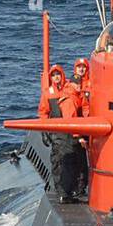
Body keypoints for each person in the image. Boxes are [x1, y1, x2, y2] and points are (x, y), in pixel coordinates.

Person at [37, 64, 88, 201]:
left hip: (70, 132)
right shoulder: (49, 93)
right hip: (58, 131)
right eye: (53, 75)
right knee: (59, 161)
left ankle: (75, 190)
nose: (56, 77)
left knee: (75, 161)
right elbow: (43, 113)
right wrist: (45, 130)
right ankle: (62, 191)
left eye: (58, 74)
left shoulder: (70, 90)